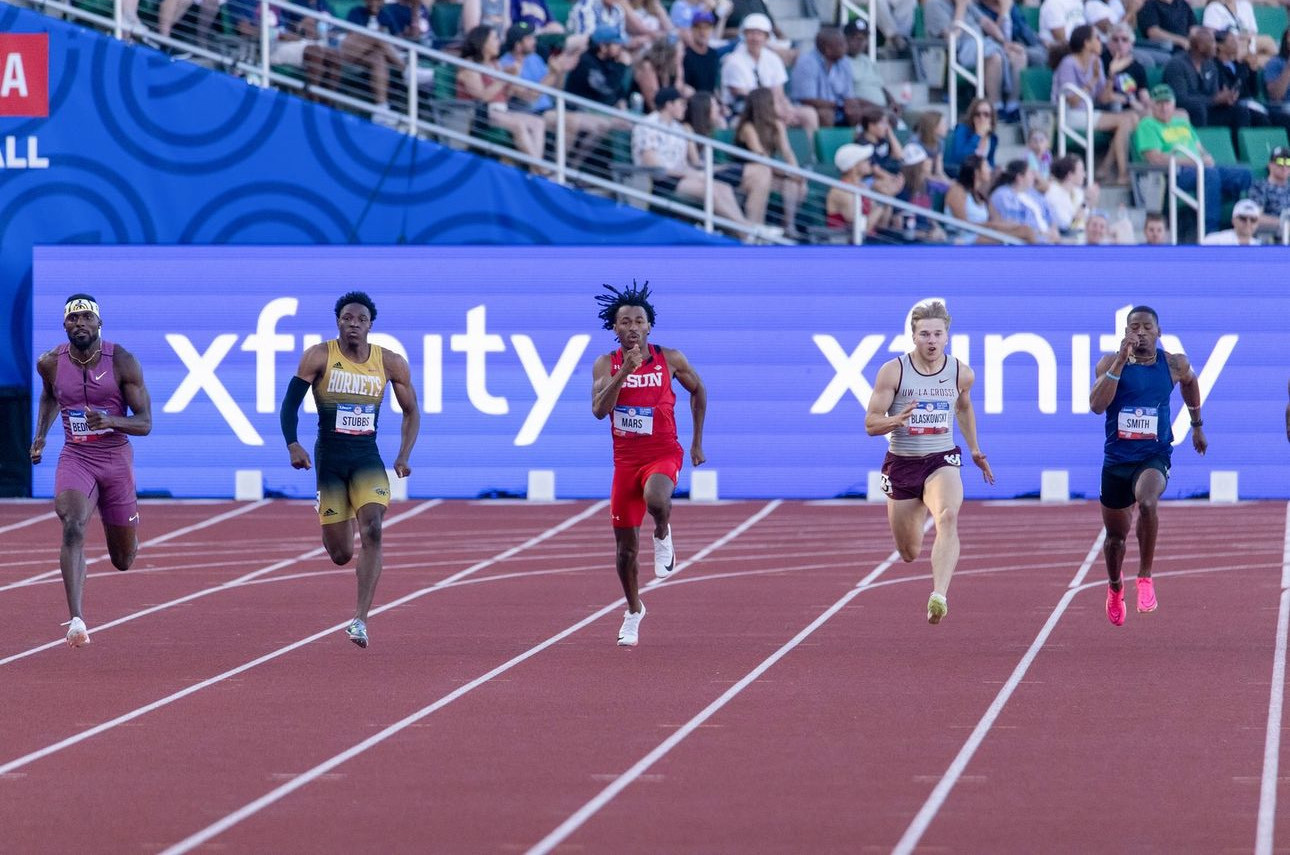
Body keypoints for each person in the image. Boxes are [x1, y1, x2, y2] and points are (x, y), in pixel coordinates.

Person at [278, 291, 420, 649]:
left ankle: (360, 619)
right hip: (330, 458)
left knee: (373, 528)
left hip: (366, 457)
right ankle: (329, 513)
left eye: (360, 319)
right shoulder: (319, 356)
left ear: (371, 325)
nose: (353, 324)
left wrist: (403, 454)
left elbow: (411, 411)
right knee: (340, 553)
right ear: (338, 322)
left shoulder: (390, 363)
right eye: (346, 318)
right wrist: (292, 443)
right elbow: (290, 405)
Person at [30, 295, 153, 648]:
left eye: (86, 317)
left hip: (114, 459)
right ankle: (77, 620)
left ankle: (125, 529)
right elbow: (50, 396)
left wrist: (110, 420)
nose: (79, 323)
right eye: (73, 319)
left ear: (99, 323)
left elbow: (145, 423)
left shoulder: (123, 362)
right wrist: (40, 437)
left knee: (123, 559)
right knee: (71, 522)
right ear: (64, 325)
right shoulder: (50, 362)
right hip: (76, 456)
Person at [590, 282, 706, 646]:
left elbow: (699, 391)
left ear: (649, 326)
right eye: (624, 322)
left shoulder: (670, 358)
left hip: (662, 452)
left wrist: (696, 442)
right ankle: (634, 609)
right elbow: (598, 411)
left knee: (657, 499)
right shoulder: (605, 364)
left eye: (639, 320)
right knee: (625, 552)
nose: (632, 327)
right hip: (625, 462)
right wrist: (624, 372)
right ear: (614, 328)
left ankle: (662, 532)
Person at [865, 300, 993, 624]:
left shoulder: (960, 372)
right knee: (908, 553)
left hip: (941, 459)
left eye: (937, 334)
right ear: (914, 336)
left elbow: (963, 408)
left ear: (947, 336)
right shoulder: (894, 371)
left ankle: (939, 596)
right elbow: (870, 423)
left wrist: (975, 449)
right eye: (925, 334)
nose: (931, 341)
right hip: (902, 463)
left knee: (948, 517)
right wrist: (896, 420)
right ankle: (919, 505)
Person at [1090, 305, 1206, 626]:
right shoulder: (1109, 363)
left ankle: (1145, 577)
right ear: (1126, 333)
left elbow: (1190, 383)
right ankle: (1115, 588)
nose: (1140, 332)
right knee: (1115, 539)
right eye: (1133, 328)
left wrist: (1197, 424)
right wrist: (1118, 362)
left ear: (1158, 332)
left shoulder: (1172, 364)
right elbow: (1097, 406)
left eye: (1146, 327)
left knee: (1149, 501)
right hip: (1116, 460)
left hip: (1154, 455)